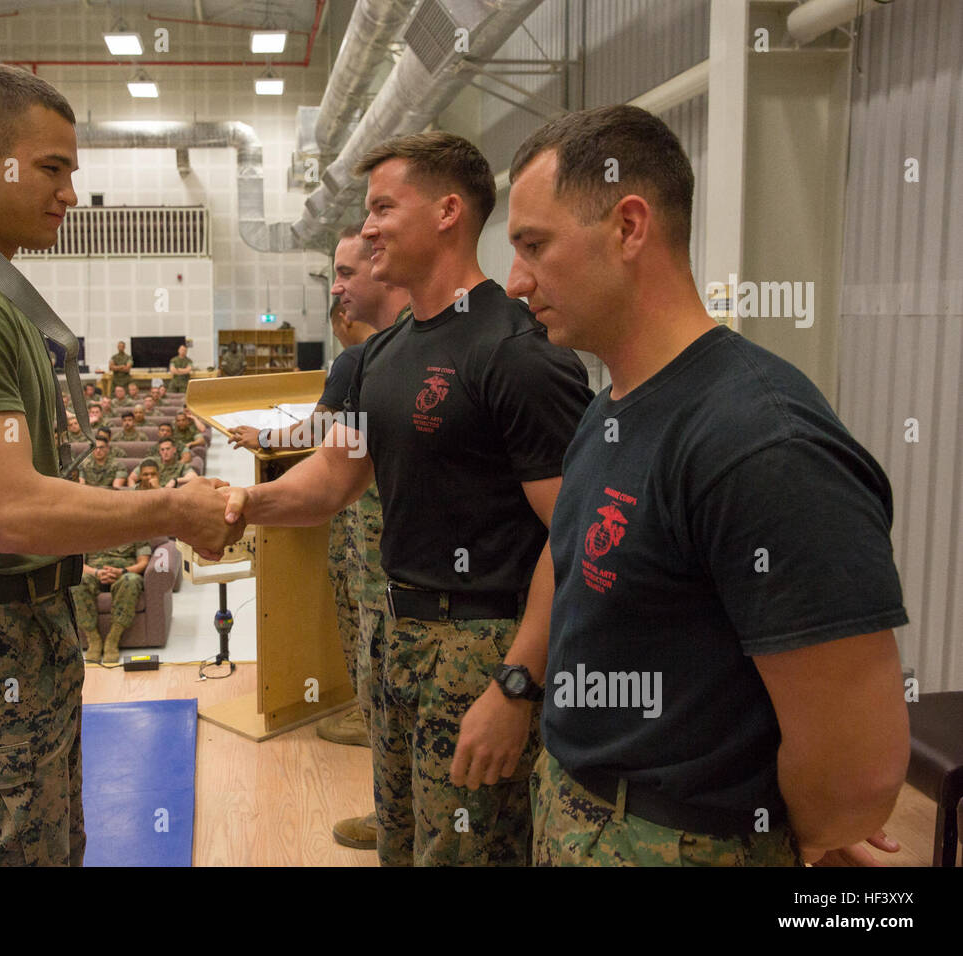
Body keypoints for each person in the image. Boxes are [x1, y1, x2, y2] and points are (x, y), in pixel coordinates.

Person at [503, 105, 909, 867]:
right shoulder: (616, 405)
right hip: (582, 813)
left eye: (534, 245)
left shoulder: (759, 442)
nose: (517, 280)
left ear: (629, 227)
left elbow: (861, 766)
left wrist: (790, 839)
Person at [0, 65, 241, 867]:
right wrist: (172, 509)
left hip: (14, 632)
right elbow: (9, 512)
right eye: (52, 168)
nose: (71, 192)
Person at [222, 131, 592, 866]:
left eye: (383, 208)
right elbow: (332, 478)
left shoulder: (517, 354)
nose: (367, 229)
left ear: (448, 211)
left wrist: (517, 686)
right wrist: (242, 507)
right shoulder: (382, 357)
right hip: (394, 641)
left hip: (483, 648)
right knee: (402, 847)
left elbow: (577, 540)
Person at [233, 230, 411, 851]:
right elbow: (336, 446)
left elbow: (323, 437)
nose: (335, 292)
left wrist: (261, 450)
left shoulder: (365, 361)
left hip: (385, 549)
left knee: (379, 660)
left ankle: (397, 811)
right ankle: (398, 814)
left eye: (343, 275)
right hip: (386, 545)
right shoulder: (374, 361)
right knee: (382, 666)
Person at [72, 537, 151, 665]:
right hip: (94, 573)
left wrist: (122, 572)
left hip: (124, 573)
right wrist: (97, 573)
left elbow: (143, 562)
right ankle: (93, 639)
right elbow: (79, 563)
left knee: (131, 581)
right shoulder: (86, 530)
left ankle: (113, 638)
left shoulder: (136, 528)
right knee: (77, 583)